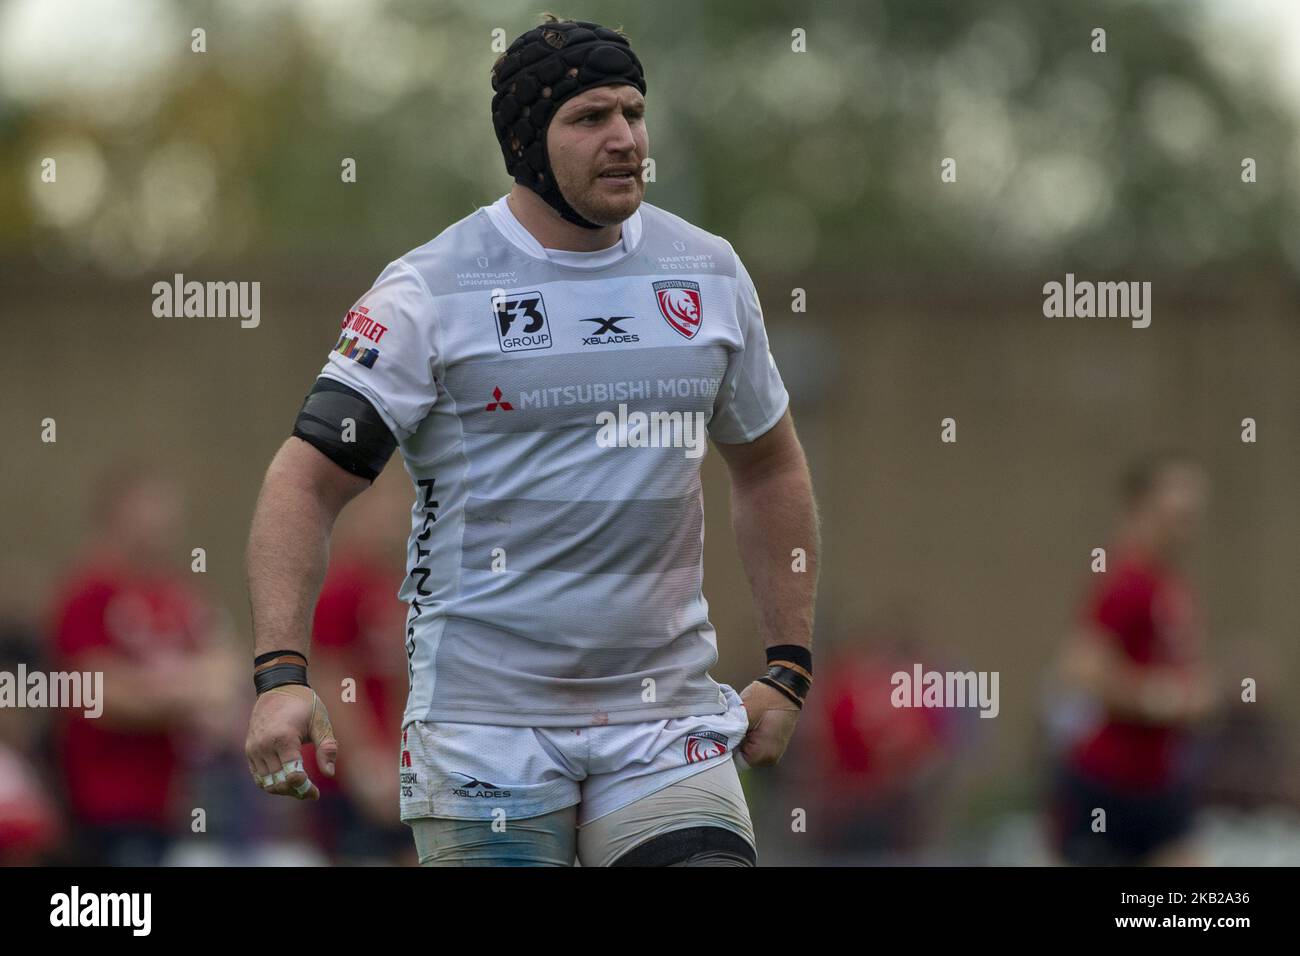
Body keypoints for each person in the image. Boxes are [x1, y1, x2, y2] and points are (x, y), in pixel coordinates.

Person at [244, 15, 819, 866]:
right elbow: (304, 484)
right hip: (484, 727)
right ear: (526, 143)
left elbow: (769, 466)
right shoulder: (429, 291)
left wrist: (787, 665)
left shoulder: (707, 271)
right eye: (590, 118)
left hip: (662, 722)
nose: (624, 138)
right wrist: (280, 678)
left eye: (633, 111)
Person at [49, 462, 240, 866]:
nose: (162, 521)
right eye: (149, 509)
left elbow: (229, 671)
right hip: (111, 805)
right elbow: (101, 695)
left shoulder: (181, 594)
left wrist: (159, 689)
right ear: (117, 515)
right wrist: (188, 693)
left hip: (178, 799)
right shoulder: (88, 593)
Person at [1049, 451, 1217, 866]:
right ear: (1142, 511)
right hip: (1109, 783)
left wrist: (1198, 693)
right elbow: (1079, 667)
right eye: (1175, 516)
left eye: (1192, 516)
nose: (1186, 528)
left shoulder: (1172, 586)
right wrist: (1161, 699)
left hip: (1160, 783)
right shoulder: (1126, 582)